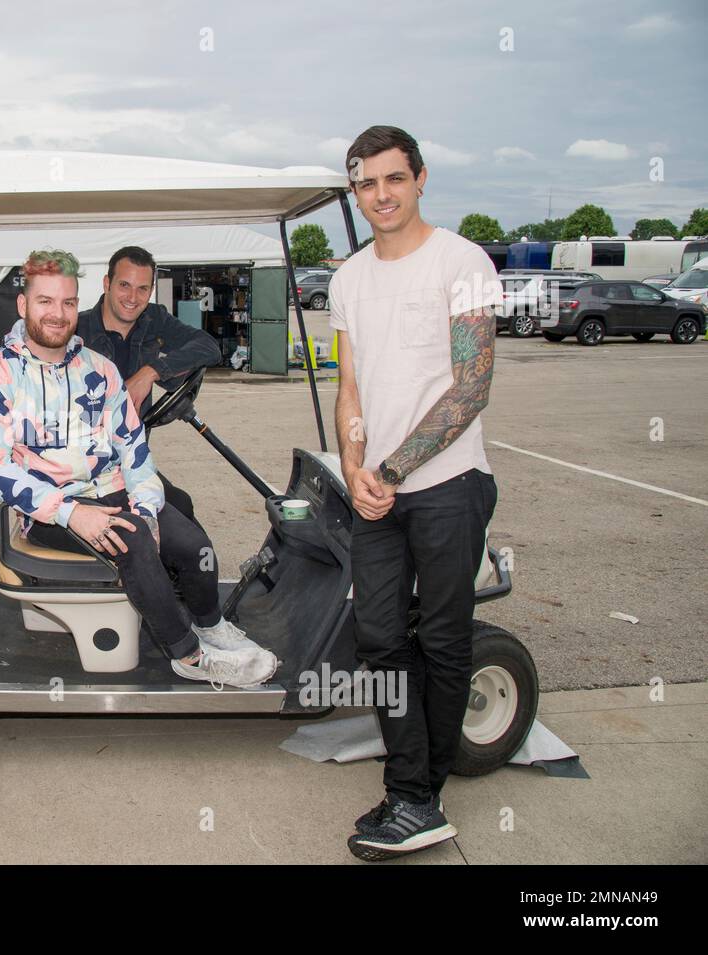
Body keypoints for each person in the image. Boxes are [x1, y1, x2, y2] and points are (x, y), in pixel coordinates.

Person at [0, 249, 277, 688]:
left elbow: (134, 449)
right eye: (45, 302)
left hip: (113, 493)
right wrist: (73, 512)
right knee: (133, 541)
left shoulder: (101, 370)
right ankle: (188, 655)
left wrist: (148, 508)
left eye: (68, 303)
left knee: (194, 544)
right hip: (51, 511)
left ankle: (209, 625)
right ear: (23, 305)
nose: (58, 314)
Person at [329, 126, 500, 861]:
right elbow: (350, 388)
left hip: (449, 485)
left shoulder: (462, 262)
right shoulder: (347, 278)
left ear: (421, 178)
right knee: (378, 637)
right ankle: (412, 790)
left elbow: (472, 387)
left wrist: (392, 471)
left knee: (444, 637)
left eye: (394, 179)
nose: (381, 195)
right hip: (378, 491)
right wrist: (355, 466)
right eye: (366, 184)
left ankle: (418, 794)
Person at [75, 246, 221, 523]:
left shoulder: (154, 319)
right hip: (88, 470)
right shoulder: (77, 331)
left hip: (132, 463)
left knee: (182, 505)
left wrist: (150, 372)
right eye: (124, 286)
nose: (133, 298)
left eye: (142, 289)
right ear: (107, 284)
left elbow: (208, 346)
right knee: (180, 525)